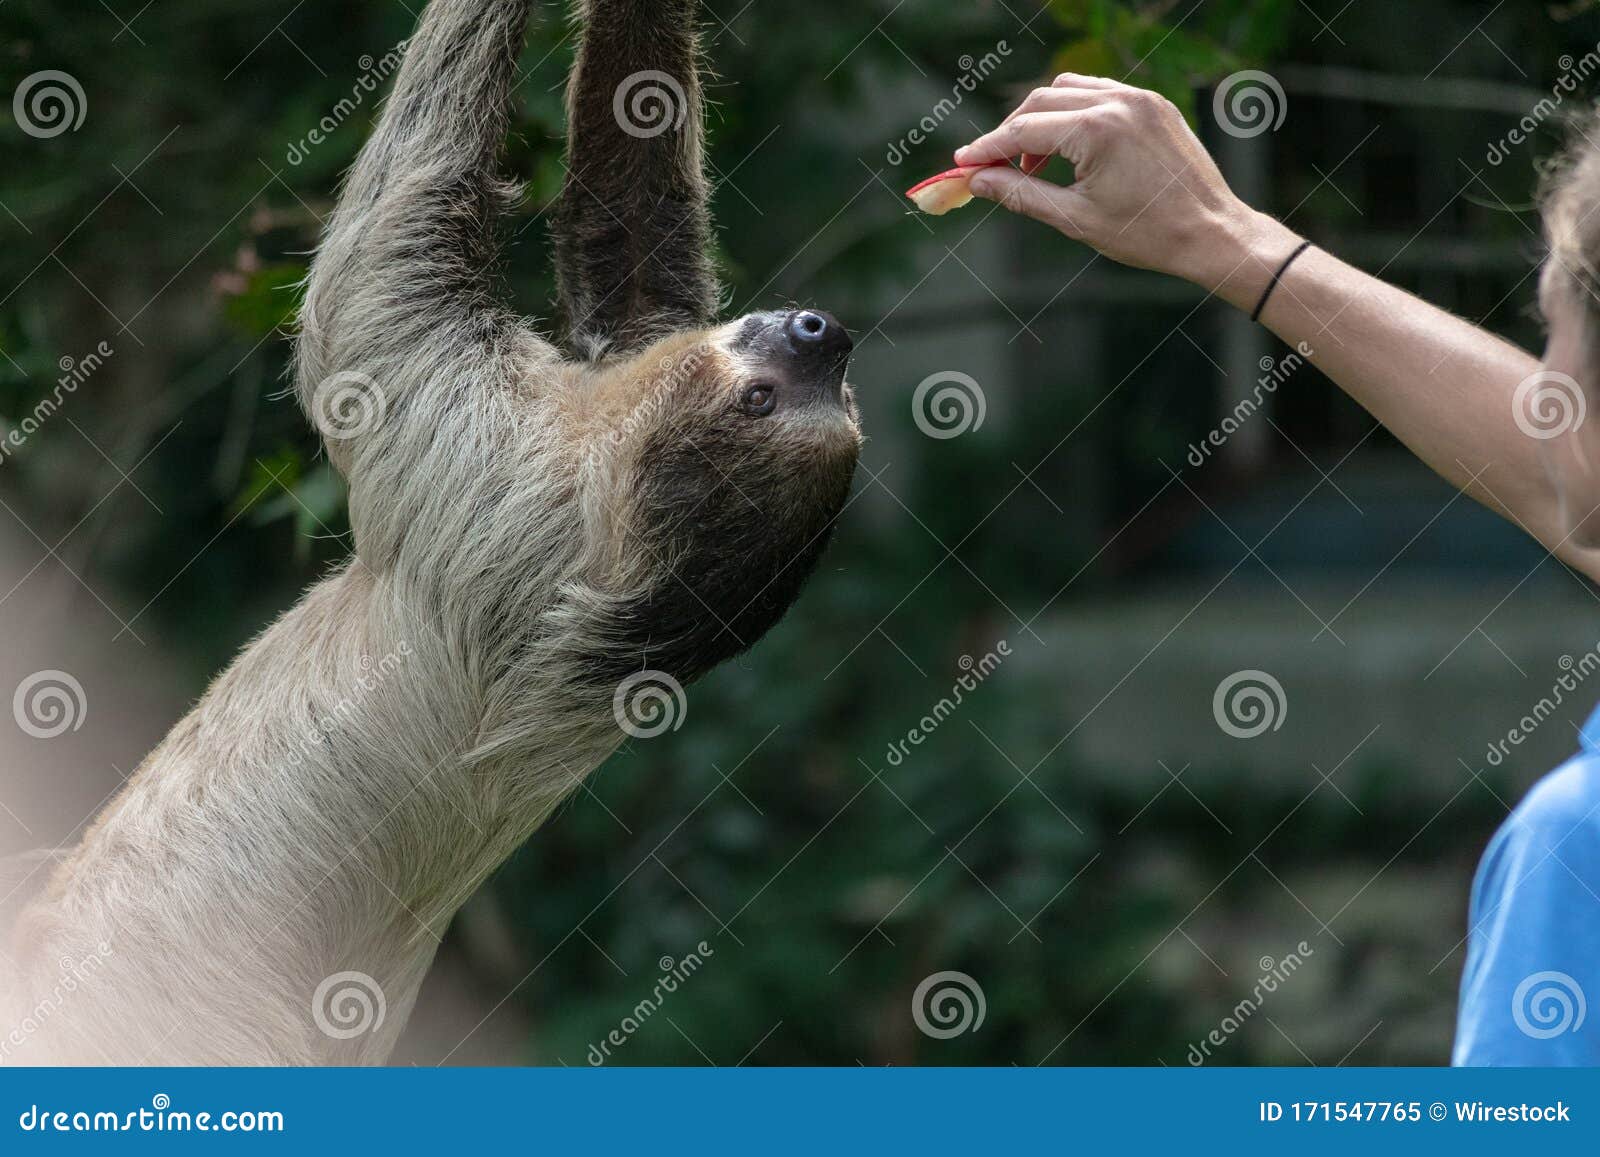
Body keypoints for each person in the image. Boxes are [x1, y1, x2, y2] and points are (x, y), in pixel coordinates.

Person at [956, 74, 1600, 1065]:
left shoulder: (1578, 850)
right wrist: (1221, 234)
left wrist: (1221, 235)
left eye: (1552, 331)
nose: (1540, 383)